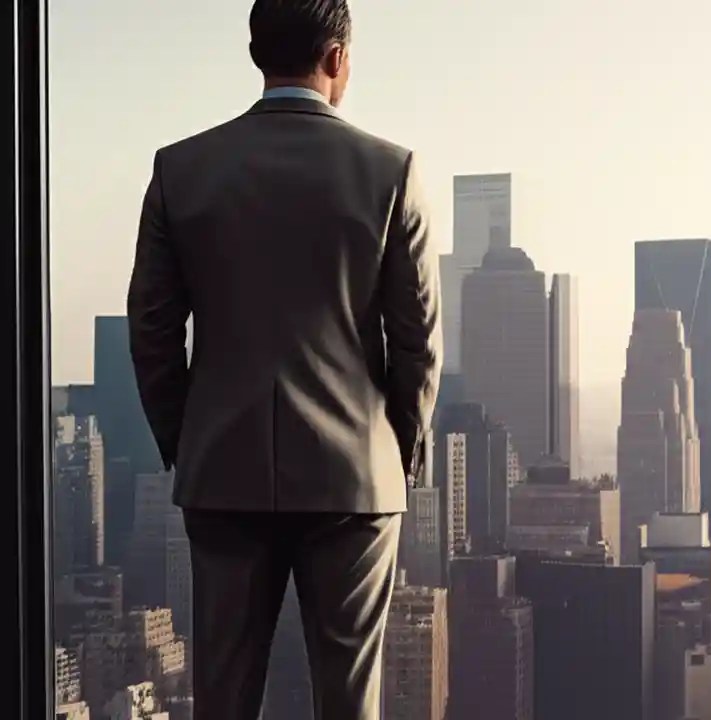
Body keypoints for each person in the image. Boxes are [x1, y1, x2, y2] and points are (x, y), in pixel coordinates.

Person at [126, 0, 439, 716]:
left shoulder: (181, 170)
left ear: (257, 54)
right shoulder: (391, 171)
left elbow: (150, 328)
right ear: (337, 59)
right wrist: (395, 451)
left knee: (224, 698)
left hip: (223, 471)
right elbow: (417, 340)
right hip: (353, 481)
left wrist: (190, 440)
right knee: (349, 702)